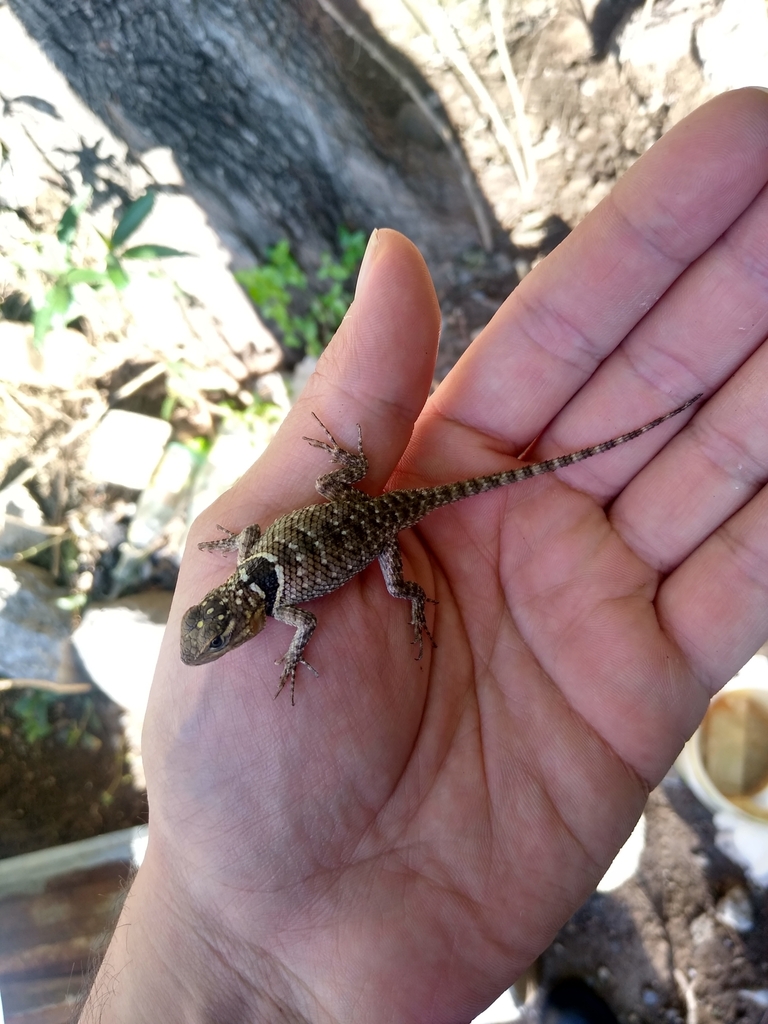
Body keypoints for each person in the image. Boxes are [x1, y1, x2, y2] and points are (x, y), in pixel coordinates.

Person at [78, 88, 768, 1023]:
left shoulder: (287, 606)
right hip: (363, 510)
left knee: (400, 572)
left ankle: (418, 590)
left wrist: (328, 632)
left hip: (379, 525)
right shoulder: (255, 564)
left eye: (217, 632)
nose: (218, 637)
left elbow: (297, 625)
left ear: (234, 613)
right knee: (380, 529)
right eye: (217, 634)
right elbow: (268, 542)